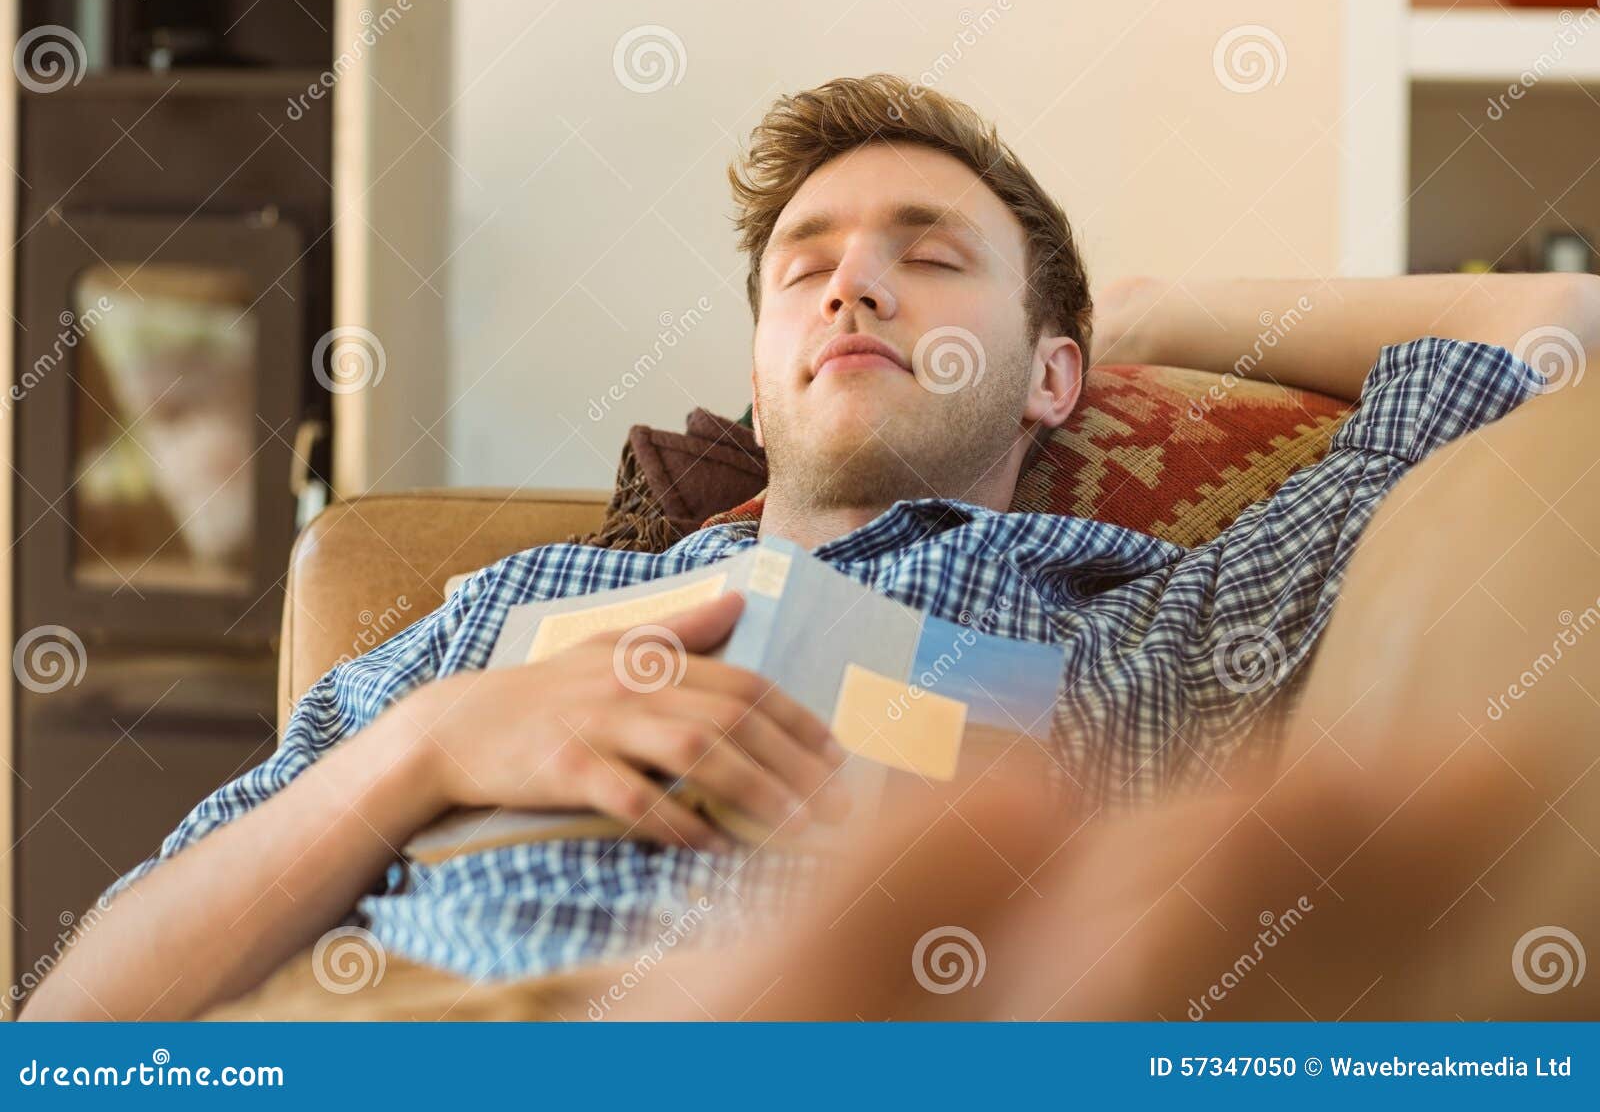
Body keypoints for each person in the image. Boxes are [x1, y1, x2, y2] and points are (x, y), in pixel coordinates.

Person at [22, 74, 1594, 1020]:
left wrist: (1142, 316)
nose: (854, 291)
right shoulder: (506, 608)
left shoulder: (1139, 627)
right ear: (763, 375)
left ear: (1055, 377)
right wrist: (426, 747)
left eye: (931, 258)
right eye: (806, 269)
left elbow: (1551, 329)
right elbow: (83, 1024)